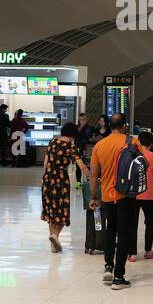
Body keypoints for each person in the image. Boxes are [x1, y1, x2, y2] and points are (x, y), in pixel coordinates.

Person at [88, 113, 142, 290]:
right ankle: (119, 277)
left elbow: (94, 175)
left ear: (109, 125)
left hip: (107, 196)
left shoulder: (99, 145)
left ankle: (108, 267)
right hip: (126, 195)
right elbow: (139, 168)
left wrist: (93, 196)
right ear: (125, 125)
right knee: (124, 233)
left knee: (110, 229)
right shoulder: (133, 142)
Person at [41, 123, 91, 252]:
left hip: (47, 179)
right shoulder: (71, 146)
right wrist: (91, 177)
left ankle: (53, 244)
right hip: (61, 181)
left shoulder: (53, 142)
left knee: (51, 211)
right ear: (74, 135)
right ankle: (55, 236)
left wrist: (45, 177)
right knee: (62, 212)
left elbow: (45, 162)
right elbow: (82, 166)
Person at [133, 130, 153, 260]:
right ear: (151, 143)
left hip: (133, 195)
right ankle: (148, 251)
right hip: (149, 195)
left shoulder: (132, 155)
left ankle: (132, 254)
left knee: (131, 224)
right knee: (149, 223)